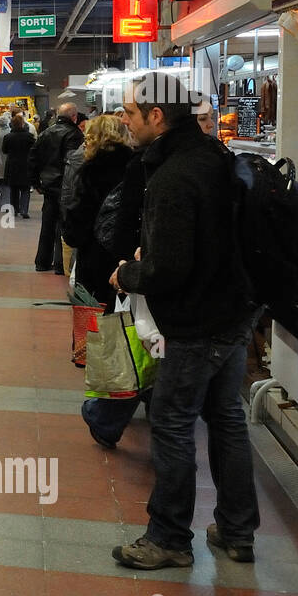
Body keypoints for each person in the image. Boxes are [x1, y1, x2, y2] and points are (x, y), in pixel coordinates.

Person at [108, 71, 258, 570]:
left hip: (196, 323)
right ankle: (237, 531)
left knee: (171, 424)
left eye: (130, 114)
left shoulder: (172, 177)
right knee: (227, 420)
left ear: (156, 116)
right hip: (236, 313)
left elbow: (169, 269)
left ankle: (170, 538)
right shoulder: (217, 158)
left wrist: (130, 272)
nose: (124, 123)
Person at [61, 114, 133, 307]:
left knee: (92, 318)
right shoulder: (137, 166)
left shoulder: (91, 172)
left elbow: (79, 219)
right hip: (128, 259)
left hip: (95, 257)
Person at [29, 101, 84, 274]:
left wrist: (36, 182)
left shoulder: (45, 133)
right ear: (74, 117)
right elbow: (72, 162)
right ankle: (61, 264)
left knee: (47, 224)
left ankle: (42, 261)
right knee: (64, 224)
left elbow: (33, 158)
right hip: (65, 186)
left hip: (48, 185)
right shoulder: (74, 134)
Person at [1, 113, 35, 218]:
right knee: (25, 189)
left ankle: (14, 210)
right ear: (22, 124)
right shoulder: (29, 137)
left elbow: (4, 150)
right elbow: (34, 150)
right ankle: (24, 210)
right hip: (25, 164)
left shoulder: (8, 137)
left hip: (12, 165)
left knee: (14, 189)